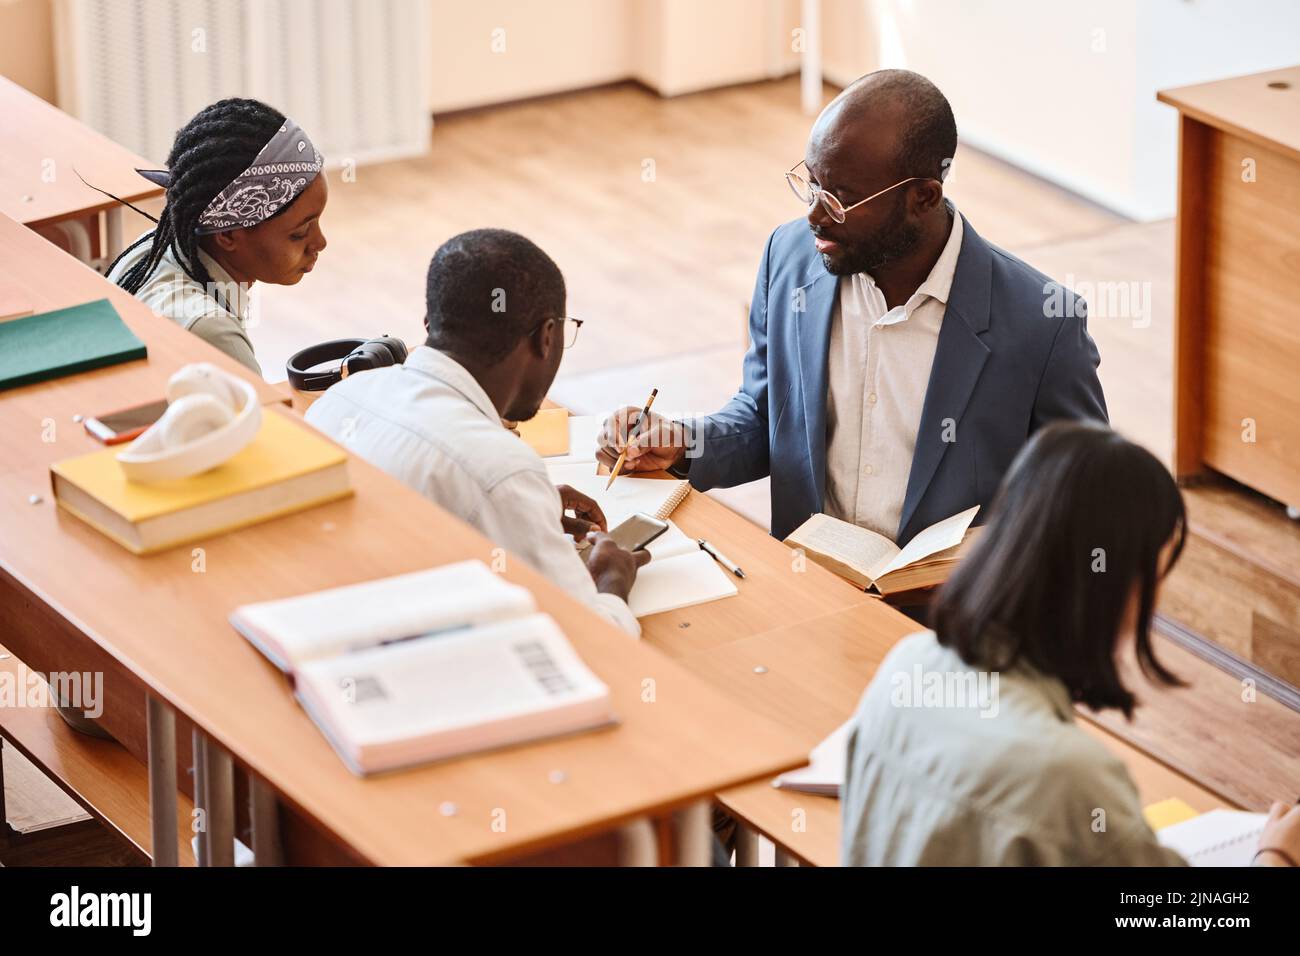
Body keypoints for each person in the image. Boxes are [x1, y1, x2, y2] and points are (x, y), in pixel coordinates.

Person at [597, 69, 1107, 546]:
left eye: (840, 198)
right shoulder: (790, 258)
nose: (814, 215)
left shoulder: (1043, 324)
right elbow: (765, 417)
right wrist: (685, 442)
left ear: (923, 198)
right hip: (813, 583)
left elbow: (1086, 497)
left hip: (951, 617)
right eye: (812, 184)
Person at [839, 421, 1300, 866]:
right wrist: (1276, 855)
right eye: (1154, 577)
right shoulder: (1067, 778)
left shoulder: (904, 670)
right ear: (1114, 587)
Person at [305, 228, 647, 636]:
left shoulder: (340, 399)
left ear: (430, 322)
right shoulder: (501, 471)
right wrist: (612, 581)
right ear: (547, 337)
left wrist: (519, 512)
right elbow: (599, 643)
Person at [106, 98, 329, 376]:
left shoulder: (150, 248)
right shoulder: (212, 333)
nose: (320, 243)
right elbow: (265, 418)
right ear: (227, 234)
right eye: (299, 233)